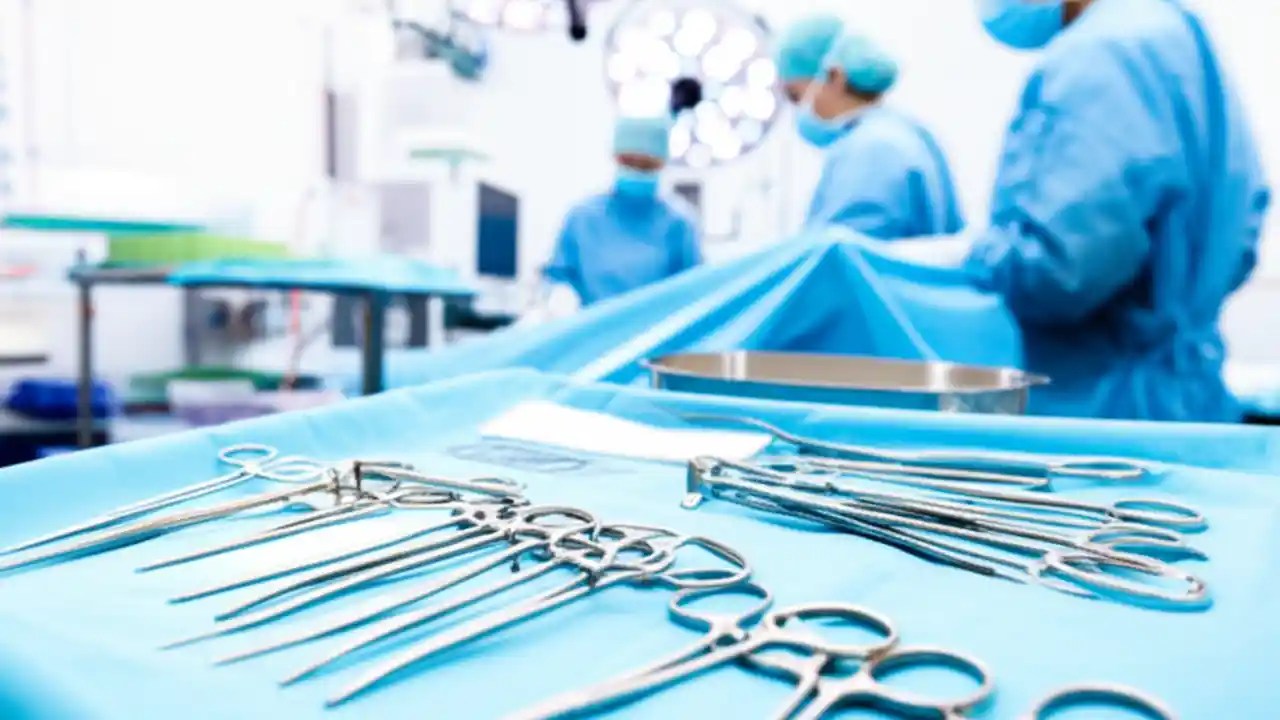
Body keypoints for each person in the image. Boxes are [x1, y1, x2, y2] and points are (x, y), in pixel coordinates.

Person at [964, 0, 1270, 422]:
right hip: (1187, 399)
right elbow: (1239, 236)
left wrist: (974, 257)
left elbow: (1061, 272)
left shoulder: (1099, 55)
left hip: (1105, 404)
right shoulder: (1176, 34)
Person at [775, 15, 965, 239]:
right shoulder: (907, 133)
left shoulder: (872, 151)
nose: (797, 109)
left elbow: (846, 261)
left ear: (835, 77)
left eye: (795, 95)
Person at [542, 116, 702, 309]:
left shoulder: (679, 224)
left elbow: (692, 292)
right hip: (593, 334)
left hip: (658, 335)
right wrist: (560, 298)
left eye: (646, 165)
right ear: (616, 158)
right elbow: (559, 276)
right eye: (630, 162)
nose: (637, 169)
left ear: (661, 163)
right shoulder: (582, 218)